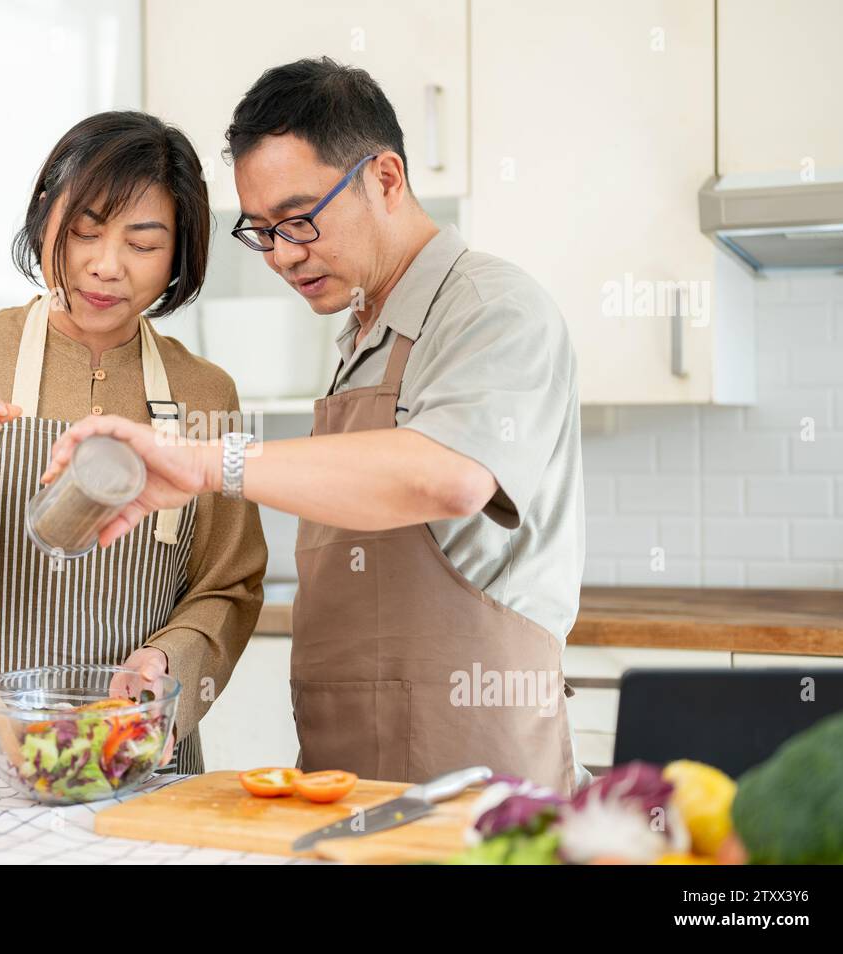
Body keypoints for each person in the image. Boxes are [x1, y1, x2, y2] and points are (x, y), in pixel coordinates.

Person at [40, 61, 589, 795]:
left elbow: (450, 476)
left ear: (386, 179)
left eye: (300, 220)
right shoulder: (363, 333)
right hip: (351, 769)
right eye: (261, 231)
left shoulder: (491, 308)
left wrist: (209, 464)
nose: (283, 255)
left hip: (476, 773)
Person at [0, 111, 267, 772]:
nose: (106, 266)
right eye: (85, 231)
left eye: (143, 244)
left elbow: (228, 585)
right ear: (46, 219)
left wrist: (169, 659)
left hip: (132, 758)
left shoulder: (205, 393)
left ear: (180, 251)